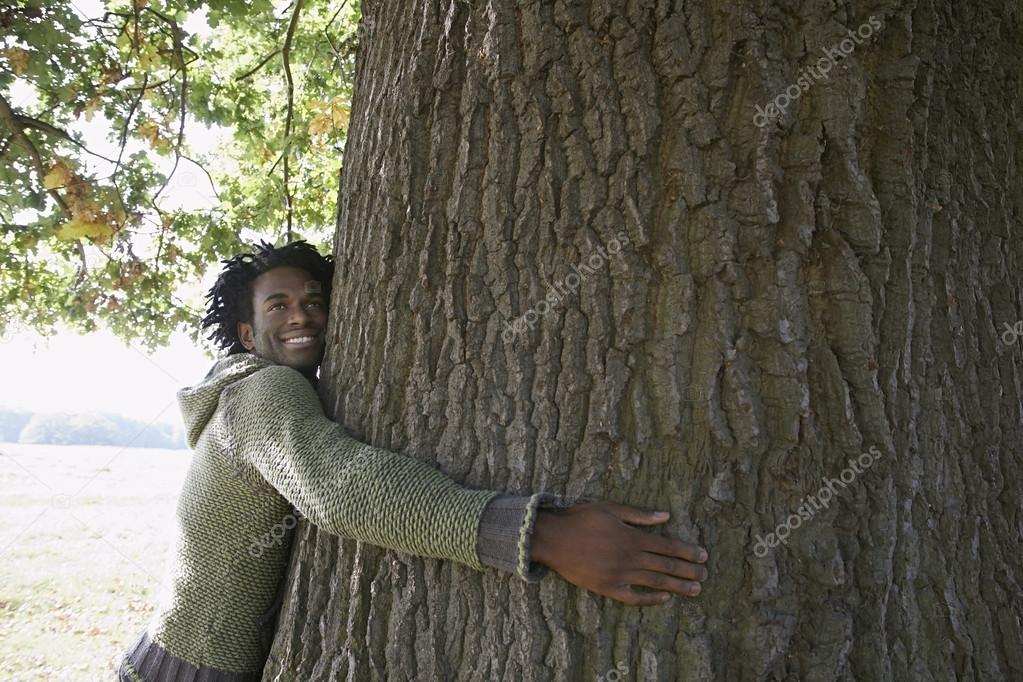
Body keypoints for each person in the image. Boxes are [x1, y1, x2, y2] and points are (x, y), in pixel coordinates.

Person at [118, 240, 709, 681]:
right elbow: (341, 487)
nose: (301, 315)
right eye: (278, 306)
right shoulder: (262, 391)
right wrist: (541, 535)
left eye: (314, 301)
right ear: (247, 334)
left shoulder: (248, 394)